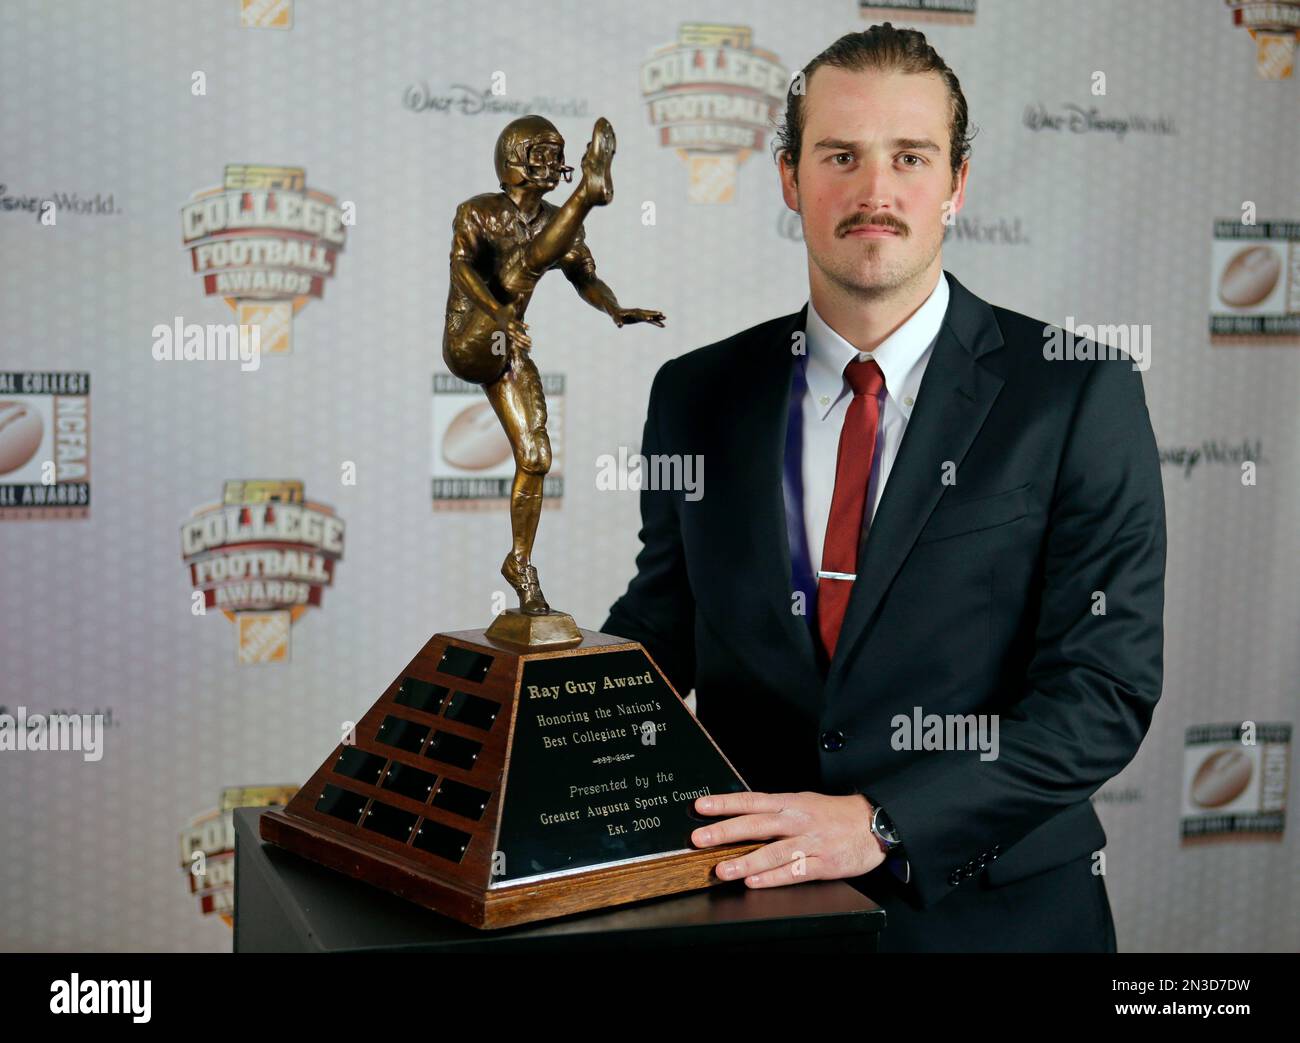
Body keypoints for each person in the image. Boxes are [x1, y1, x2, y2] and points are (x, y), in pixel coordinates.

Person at [601, 23, 1166, 952]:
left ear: (957, 183)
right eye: (841, 155)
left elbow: (1102, 691)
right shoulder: (696, 395)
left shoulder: (1076, 392)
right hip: (752, 911)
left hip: (996, 922)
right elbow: (663, 626)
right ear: (790, 179)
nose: (875, 191)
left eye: (910, 157)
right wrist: (532, 714)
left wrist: (880, 825)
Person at [442, 114, 664, 615]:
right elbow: (461, 268)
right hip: (470, 339)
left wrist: (615, 309)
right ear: (514, 158)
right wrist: (499, 314)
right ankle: (589, 192)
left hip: (508, 348)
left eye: (557, 154)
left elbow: (585, 277)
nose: (551, 163)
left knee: (536, 455)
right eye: (542, 153)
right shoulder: (478, 211)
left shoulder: (555, 225)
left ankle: (519, 563)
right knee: (526, 265)